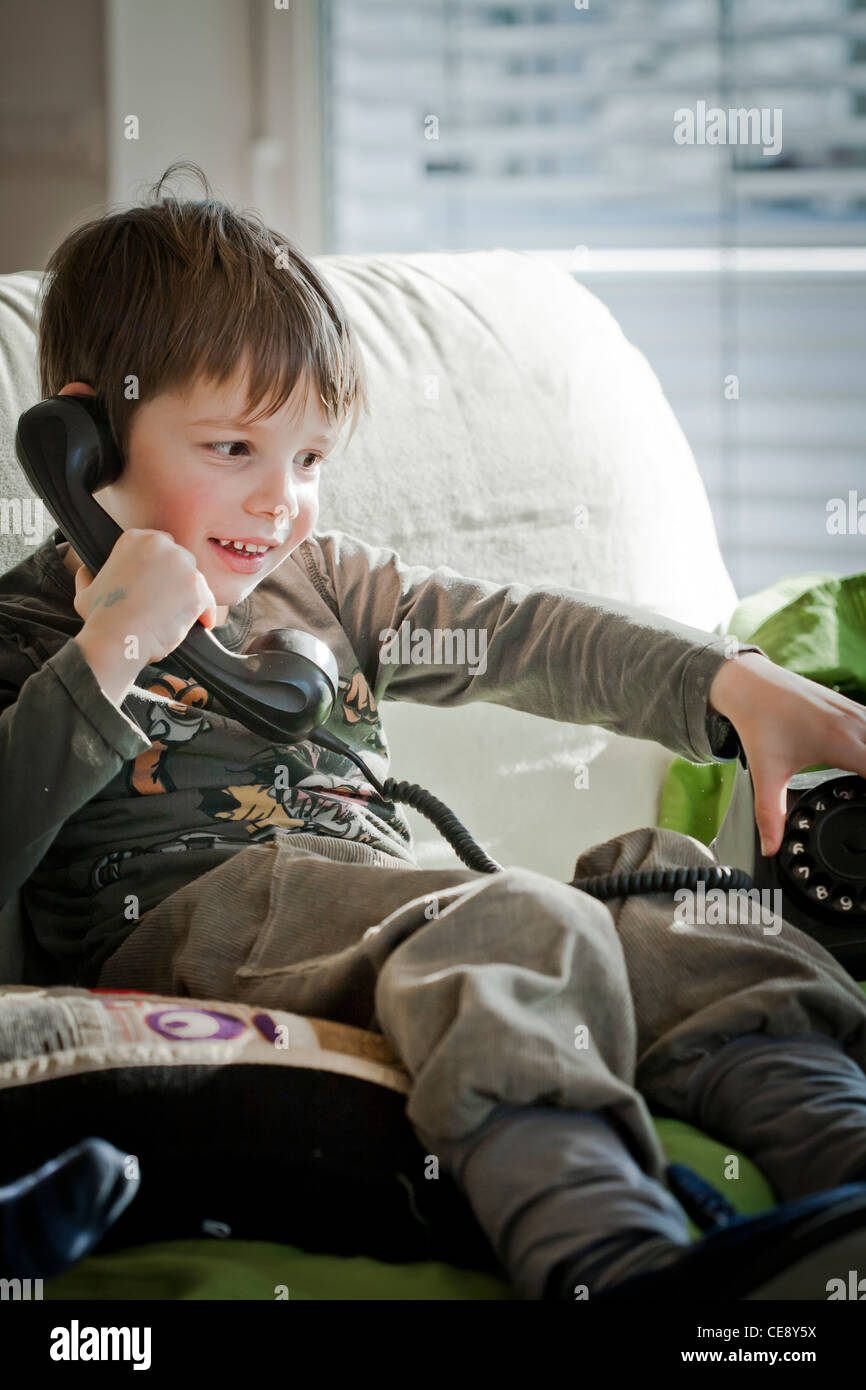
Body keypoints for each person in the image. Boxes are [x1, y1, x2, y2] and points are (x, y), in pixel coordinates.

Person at [4, 160, 866, 1301]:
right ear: (82, 441)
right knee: (504, 914)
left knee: (667, 884)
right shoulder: (24, 636)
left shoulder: (326, 580)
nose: (280, 502)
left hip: (375, 909)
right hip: (191, 931)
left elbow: (519, 632)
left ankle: (834, 1171)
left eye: (308, 457)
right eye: (232, 450)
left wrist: (723, 680)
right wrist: (103, 655)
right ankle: (606, 1252)